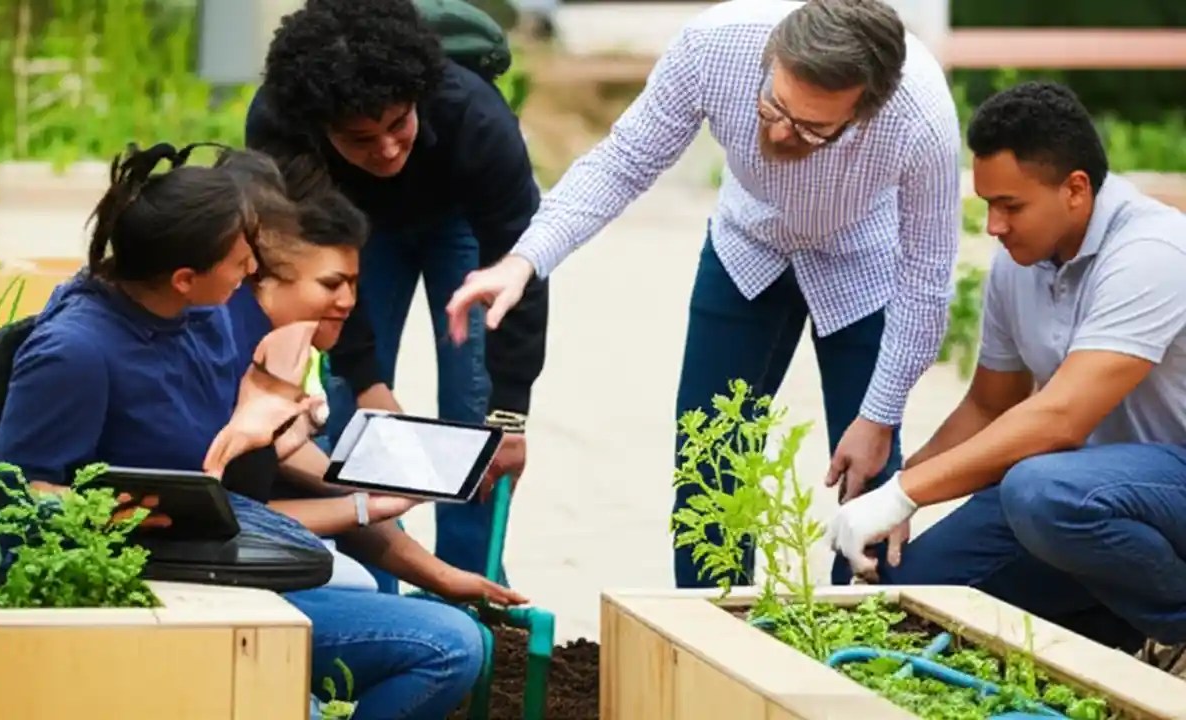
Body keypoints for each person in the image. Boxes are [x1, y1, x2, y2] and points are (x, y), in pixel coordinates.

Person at [0, 142, 520, 719]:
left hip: (217, 574)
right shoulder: (77, 351)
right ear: (185, 277)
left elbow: (264, 453)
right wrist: (102, 510)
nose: (252, 272)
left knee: (452, 645)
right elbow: (17, 495)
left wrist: (282, 422)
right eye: (241, 262)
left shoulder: (204, 319)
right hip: (139, 588)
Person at [445, 0, 963, 589]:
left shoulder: (919, 115)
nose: (779, 131)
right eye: (775, 105)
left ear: (865, 110)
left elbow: (927, 282)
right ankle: (708, 634)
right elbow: (624, 161)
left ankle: (859, 649)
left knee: (870, 480)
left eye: (813, 128)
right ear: (772, 60)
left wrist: (880, 416)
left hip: (863, 260)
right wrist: (526, 258)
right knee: (708, 470)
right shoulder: (714, 47)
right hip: (747, 248)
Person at [827, 81, 1186, 668]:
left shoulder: (1153, 251)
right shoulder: (1019, 263)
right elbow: (990, 406)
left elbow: (1061, 417)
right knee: (895, 594)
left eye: (1010, 206)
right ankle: (1114, 626)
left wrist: (902, 492)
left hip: (1152, 490)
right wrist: (901, 494)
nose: (993, 225)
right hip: (1088, 505)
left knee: (1040, 491)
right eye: (988, 203)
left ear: (1075, 189)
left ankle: (1176, 628)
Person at [244, 0, 548, 589]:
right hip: (349, 226)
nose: (385, 148)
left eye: (397, 124)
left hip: (459, 223)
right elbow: (313, 271)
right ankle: (375, 583)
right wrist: (366, 378)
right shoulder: (282, 125)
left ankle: (469, 590)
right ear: (321, 127)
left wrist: (510, 415)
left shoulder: (474, 118)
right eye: (360, 137)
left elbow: (521, 269)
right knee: (355, 411)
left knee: (474, 417)